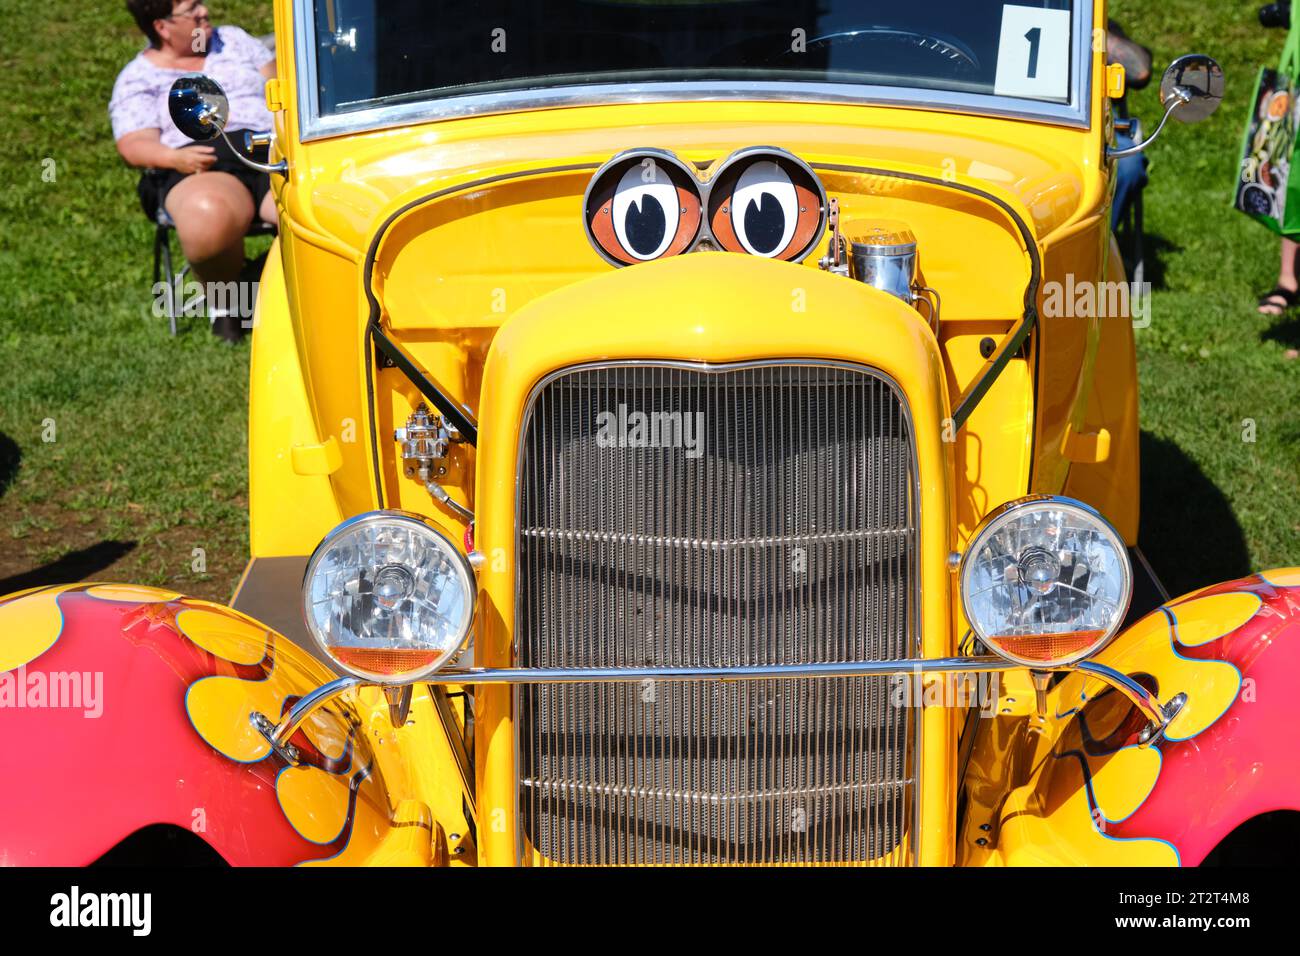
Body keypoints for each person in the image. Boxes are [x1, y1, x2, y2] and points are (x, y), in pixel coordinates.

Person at [110, 1, 277, 341]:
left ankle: (262, 281)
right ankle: (227, 303)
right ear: (162, 27)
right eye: (191, 9)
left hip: (270, 149)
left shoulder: (234, 41)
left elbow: (283, 88)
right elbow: (134, 143)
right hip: (201, 164)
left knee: (310, 206)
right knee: (208, 214)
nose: (204, 11)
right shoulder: (139, 77)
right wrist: (175, 160)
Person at [1107, 22, 1153, 233]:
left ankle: (1101, 247)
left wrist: (1092, 28)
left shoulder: (1092, 18)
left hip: (1097, 117)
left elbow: (1140, 72)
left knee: (1128, 167)